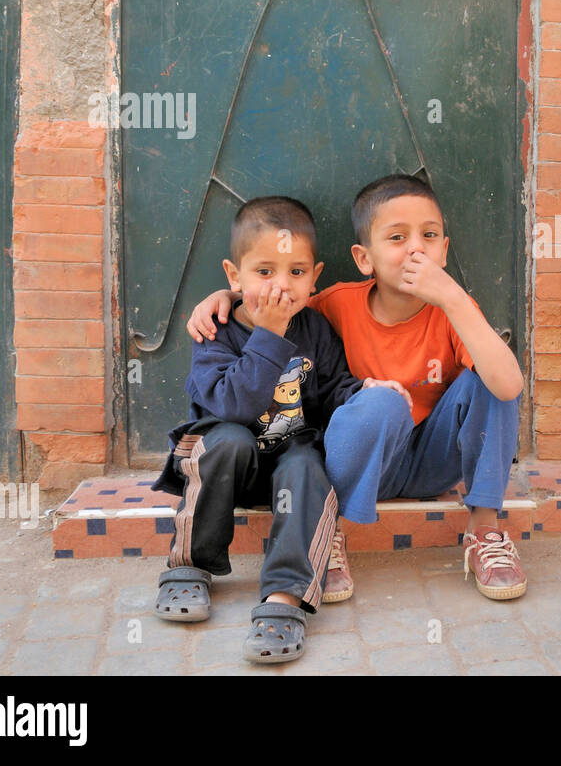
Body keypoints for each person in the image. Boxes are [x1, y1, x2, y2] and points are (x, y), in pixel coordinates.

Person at [187, 174, 527, 599]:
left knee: (492, 376)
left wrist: (454, 298)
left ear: (444, 248)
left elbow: (509, 386)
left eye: (429, 235)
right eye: (398, 237)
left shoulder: (456, 310)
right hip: (361, 463)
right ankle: (327, 533)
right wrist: (224, 297)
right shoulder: (335, 303)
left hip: (430, 463)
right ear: (364, 258)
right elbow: (276, 299)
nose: (416, 248)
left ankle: (484, 531)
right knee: (379, 402)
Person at [152, 196, 363, 664]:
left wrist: (365, 395)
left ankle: (285, 597)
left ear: (315, 276)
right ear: (234, 276)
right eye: (264, 272)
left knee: (309, 459)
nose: (280, 286)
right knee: (225, 438)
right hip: (233, 463)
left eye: (295, 272)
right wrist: (268, 333)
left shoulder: (317, 330)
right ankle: (190, 565)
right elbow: (234, 406)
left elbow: (332, 391)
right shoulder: (217, 331)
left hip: (290, 469)